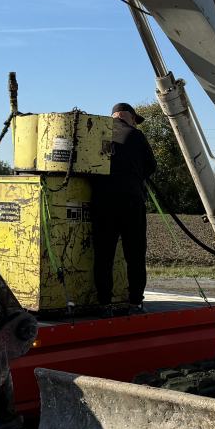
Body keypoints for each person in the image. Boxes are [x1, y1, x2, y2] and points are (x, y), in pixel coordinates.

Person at [93, 103, 155, 312]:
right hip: (131, 202)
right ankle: (135, 302)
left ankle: (104, 303)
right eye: (135, 119)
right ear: (127, 116)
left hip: (102, 202)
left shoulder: (96, 133)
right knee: (135, 255)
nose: (135, 123)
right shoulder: (136, 136)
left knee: (104, 256)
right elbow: (151, 166)